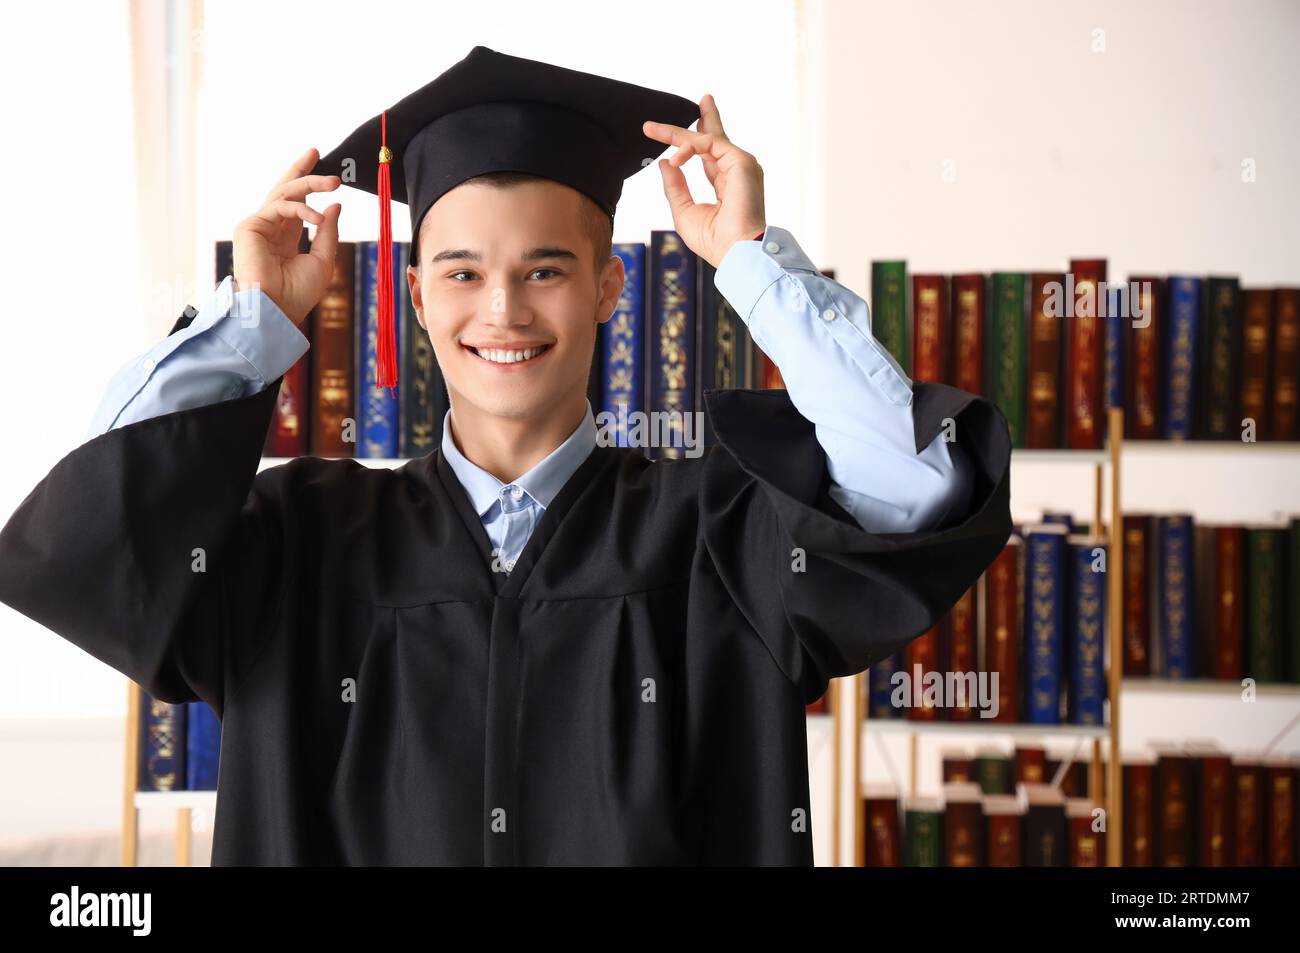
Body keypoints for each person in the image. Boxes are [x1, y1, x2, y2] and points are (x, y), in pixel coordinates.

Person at [0, 46, 1011, 865]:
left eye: (545, 270)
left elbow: (906, 491)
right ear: (414, 296)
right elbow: (95, 544)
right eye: (463, 271)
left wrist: (752, 265)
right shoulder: (298, 540)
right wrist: (252, 319)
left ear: (611, 288)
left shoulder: (722, 534)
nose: (502, 310)